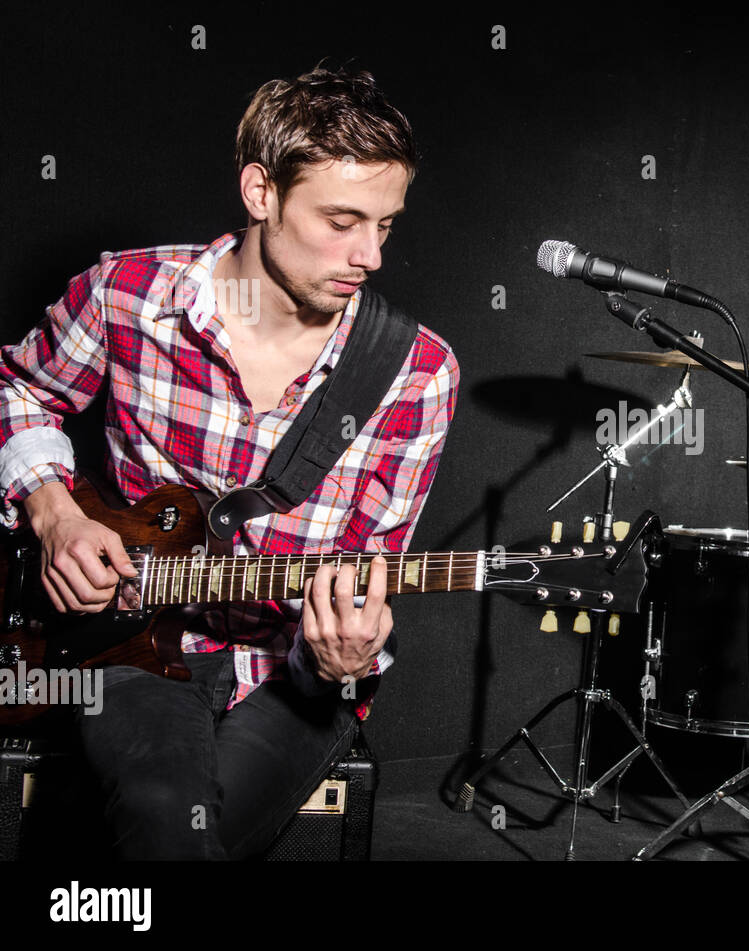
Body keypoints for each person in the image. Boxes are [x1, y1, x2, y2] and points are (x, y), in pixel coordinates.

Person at [0, 65, 458, 859]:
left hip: (292, 671)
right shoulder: (128, 295)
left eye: (386, 225)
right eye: (343, 220)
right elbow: (18, 388)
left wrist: (346, 655)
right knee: (161, 810)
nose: (371, 255)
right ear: (260, 192)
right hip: (130, 637)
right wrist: (54, 511)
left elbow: (366, 572)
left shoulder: (416, 371)